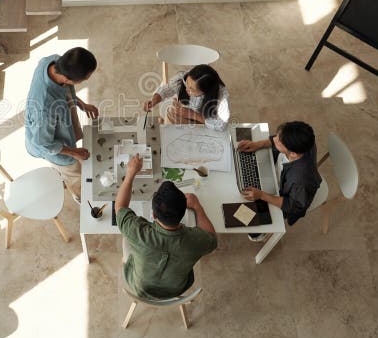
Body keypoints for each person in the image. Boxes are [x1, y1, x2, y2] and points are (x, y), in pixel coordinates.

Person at [117, 154, 217, 299]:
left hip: (139, 287)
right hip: (175, 290)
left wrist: (131, 173)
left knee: (126, 237)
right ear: (183, 212)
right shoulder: (195, 241)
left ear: (154, 215)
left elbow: (120, 207)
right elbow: (212, 238)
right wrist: (197, 207)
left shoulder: (138, 232)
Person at [25, 47, 99, 204]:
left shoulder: (53, 61)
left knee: (74, 144)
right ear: (68, 79)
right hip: (47, 143)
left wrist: (82, 104)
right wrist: (73, 152)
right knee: (76, 174)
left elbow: (66, 92)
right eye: (83, 80)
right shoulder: (45, 107)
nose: (84, 81)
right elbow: (44, 143)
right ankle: (80, 196)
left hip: (58, 119)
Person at [237, 120, 322, 241]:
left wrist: (261, 195)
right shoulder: (304, 140)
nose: (274, 140)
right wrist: (258, 144)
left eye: (279, 142)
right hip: (281, 176)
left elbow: (293, 205)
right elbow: (278, 138)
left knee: (250, 224)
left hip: (290, 198)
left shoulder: (301, 180)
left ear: (292, 154)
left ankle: (260, 233)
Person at [143, 64, 230, 131]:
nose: (186, 89)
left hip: (206, 122)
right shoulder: (186, 77)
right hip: (187, 115)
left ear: (205, 92)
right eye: (186, 84)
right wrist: (153, 100)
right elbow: (167, 89)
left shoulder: (222, 97)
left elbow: (222, 125)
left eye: (191, 89)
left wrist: (193, 115)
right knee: (171, 111)